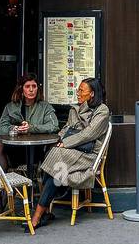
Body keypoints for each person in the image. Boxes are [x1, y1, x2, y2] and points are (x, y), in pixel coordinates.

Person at [32, 78, 110, 229]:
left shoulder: (102, 110)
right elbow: (66, 128)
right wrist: (58, 139)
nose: (78, 93)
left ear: (92, 94)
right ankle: (44, 211)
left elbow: (89, 134)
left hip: (88, 155)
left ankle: (37, 215)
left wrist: (65, 143)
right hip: (71, 151)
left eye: (82, 90)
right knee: (54, 157)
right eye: (78, 90)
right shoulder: (75, 109)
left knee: (56, 159)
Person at [0, 73, 58, 163]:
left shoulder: (45, 107)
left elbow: (53, 126)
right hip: (14, 148)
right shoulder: (11, 107)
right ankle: (2, 176)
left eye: (34, 86)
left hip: (38, 148)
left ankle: (41, 175)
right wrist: (16, 129)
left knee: (55, 147)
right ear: (21, 88)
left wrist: (31, 128)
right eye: (27, 86)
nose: (31, 90)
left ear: (37, 88)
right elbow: (1, 129)